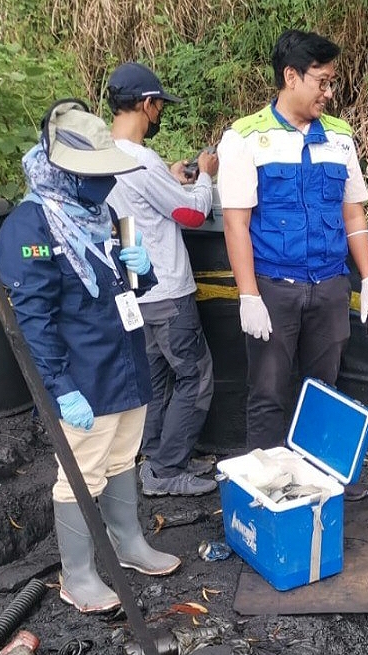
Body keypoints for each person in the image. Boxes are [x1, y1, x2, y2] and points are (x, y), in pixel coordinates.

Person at [0, 100, 182, 613]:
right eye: (94, 175)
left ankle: (128, 542)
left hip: (125, 361)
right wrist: (60, 387)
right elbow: (32, 320)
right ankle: (77, 575)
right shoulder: (31, 226)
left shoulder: (102, 215)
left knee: (123, 456)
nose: (105, 184)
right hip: (82, 374)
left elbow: (127, 287)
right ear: (64, 171)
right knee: (81, 471)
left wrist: (143, 269)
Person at [216, 29, 368, 502]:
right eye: (321, 82)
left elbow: (353, 214)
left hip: (329, 285)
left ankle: (322, 486)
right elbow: (236, 223)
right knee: (268, 391)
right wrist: (249, 295)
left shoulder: (340, 138)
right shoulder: (246, 138)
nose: (328, 93)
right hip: (275, 286)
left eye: (331, 82)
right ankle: (266, 492)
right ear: (291, 77)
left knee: (324, 389)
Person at [105, 61, 220, 497]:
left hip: (133, 288)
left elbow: (139, 203)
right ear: (147, 104)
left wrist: (169, 179)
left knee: (154, 379)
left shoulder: (103, 155)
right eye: (159, 106)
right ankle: (168, 471)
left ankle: (154, 457)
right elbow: (192, 213)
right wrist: (205, 174)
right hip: (166, 291)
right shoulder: (142, 160)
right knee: (196, 376)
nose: (160, 114)